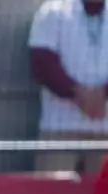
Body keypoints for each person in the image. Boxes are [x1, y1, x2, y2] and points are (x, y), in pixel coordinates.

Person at [29, 0, 108, 174]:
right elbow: (41, 63)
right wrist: (77, 93)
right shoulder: (53, 11)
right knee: (53, 189)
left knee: (103, 191)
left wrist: (103, 93)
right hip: (61, 128)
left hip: (104, 129)